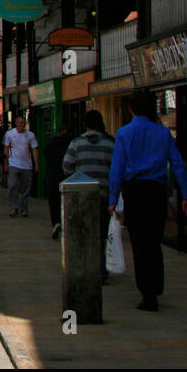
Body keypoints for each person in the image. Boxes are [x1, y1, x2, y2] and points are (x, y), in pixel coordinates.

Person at [109, 92, 187, 312]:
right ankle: (155, 286)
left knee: (139, 241)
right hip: (157, 191)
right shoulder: (163, 133)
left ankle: (147, 292)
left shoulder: (123, 134)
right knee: (155, 240)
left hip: (134, 191)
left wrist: (112, 199)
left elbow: (117, 169)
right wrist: (186, 194)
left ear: (131, 110)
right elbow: (178, 165)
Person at [62, 109, 115, 281]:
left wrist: (79, 177)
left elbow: (67, 166)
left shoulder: (76, 143)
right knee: (101, 235)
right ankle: (101, 270)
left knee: (82, 233)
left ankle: (84, 269)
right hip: (103, 194)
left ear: (85, 125)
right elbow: (115, 169)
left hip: (81, 195)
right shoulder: (109, 144)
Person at [3, 116, 39, 218]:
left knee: (26, 187)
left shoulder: (30, 135)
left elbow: (34, 149)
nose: (22, 125)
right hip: (14, 163)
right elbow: (6, 149)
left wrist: (36, 163)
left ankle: (23, 208)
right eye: (21, 122)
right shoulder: (10, 134)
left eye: (24, 123)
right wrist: (6, 163)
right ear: (16, 123)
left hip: (27, 165)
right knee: (12, 185)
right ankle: (14, 207)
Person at [45, 127, 74, 238]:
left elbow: (46, 155)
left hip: (53, 177)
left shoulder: (51, 144)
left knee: (54, 202)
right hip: (67, 177)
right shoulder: (72, 143)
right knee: (68, 203)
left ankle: (56, 223)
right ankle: (66, 224)